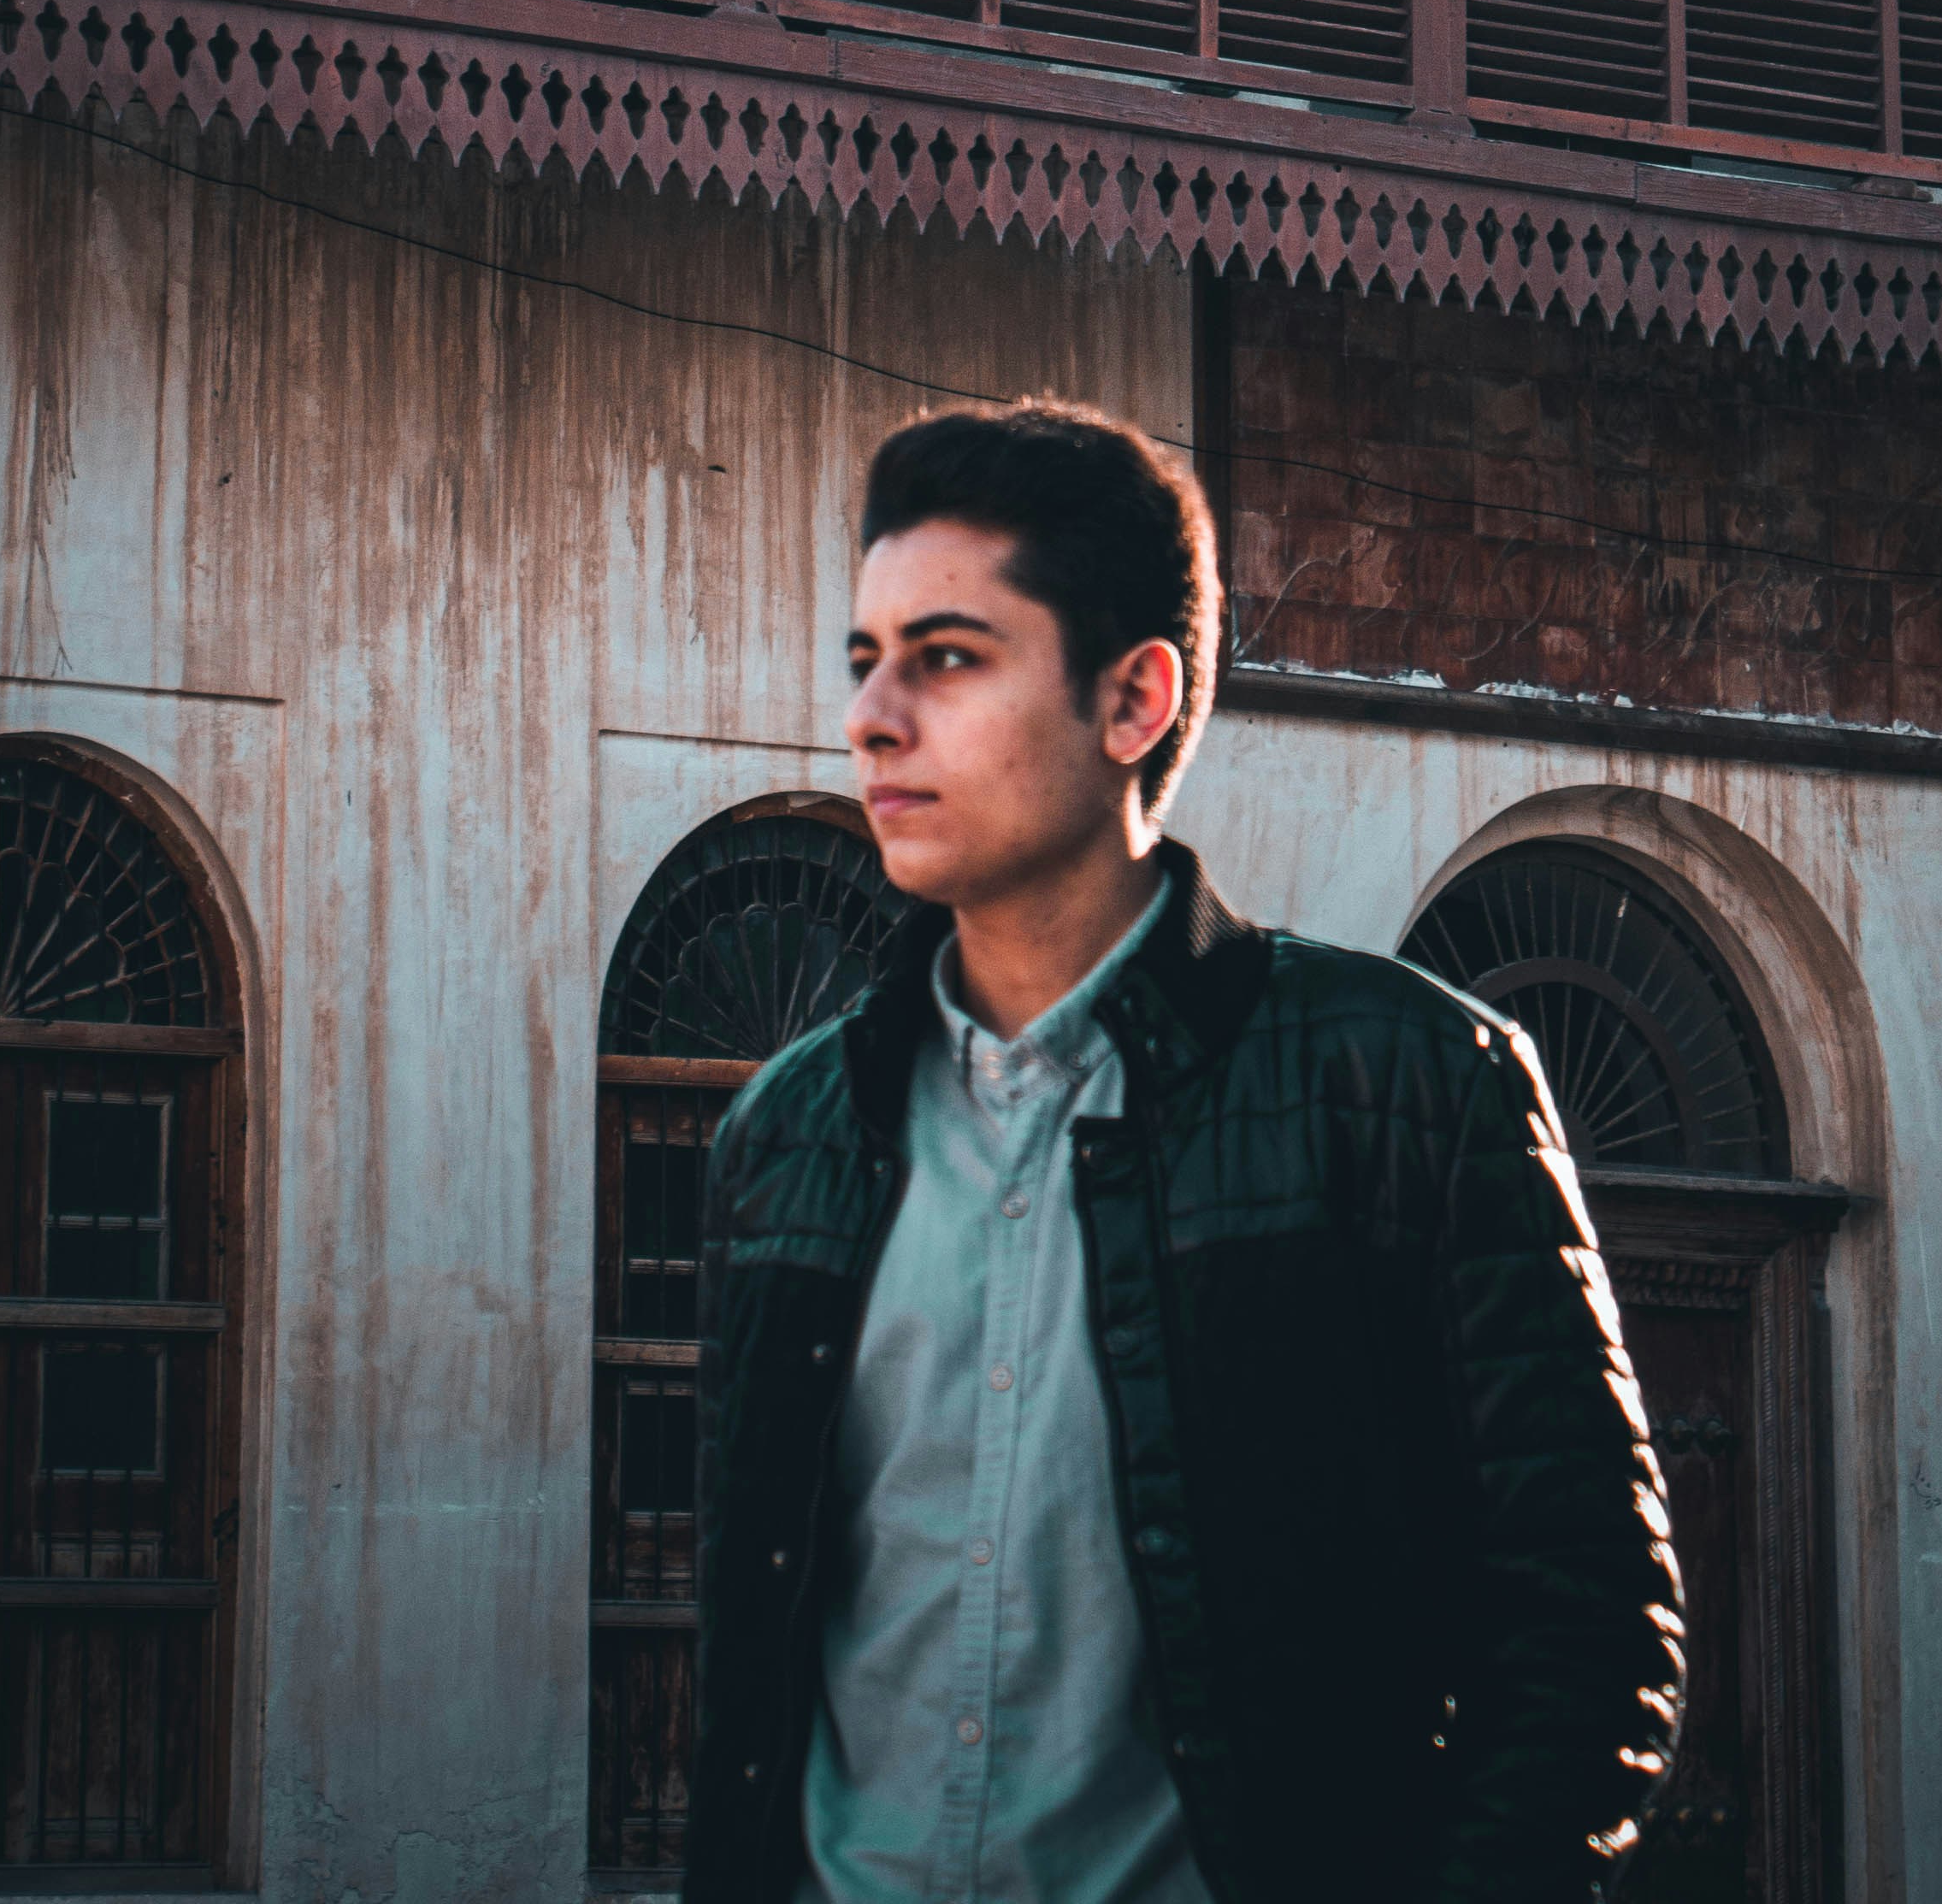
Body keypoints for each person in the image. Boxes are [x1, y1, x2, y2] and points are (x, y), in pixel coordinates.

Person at [683, 395, 1684, 1904]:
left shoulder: (1405, 1086)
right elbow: (752, 1666)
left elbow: (1593, 1633)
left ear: (1134, 700)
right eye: (865, 662)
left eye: (947, 658)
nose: (874, 718)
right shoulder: (790, 1136)